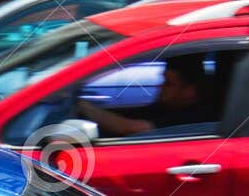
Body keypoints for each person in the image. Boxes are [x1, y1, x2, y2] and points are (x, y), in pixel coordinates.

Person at [77, 53, 217, 138]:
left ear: (189, 91)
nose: (160, 86)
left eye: (169, 84)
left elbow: (128, 128)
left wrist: (83, 106)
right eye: (163, 80)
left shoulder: (192, 117)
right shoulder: (170, 106)